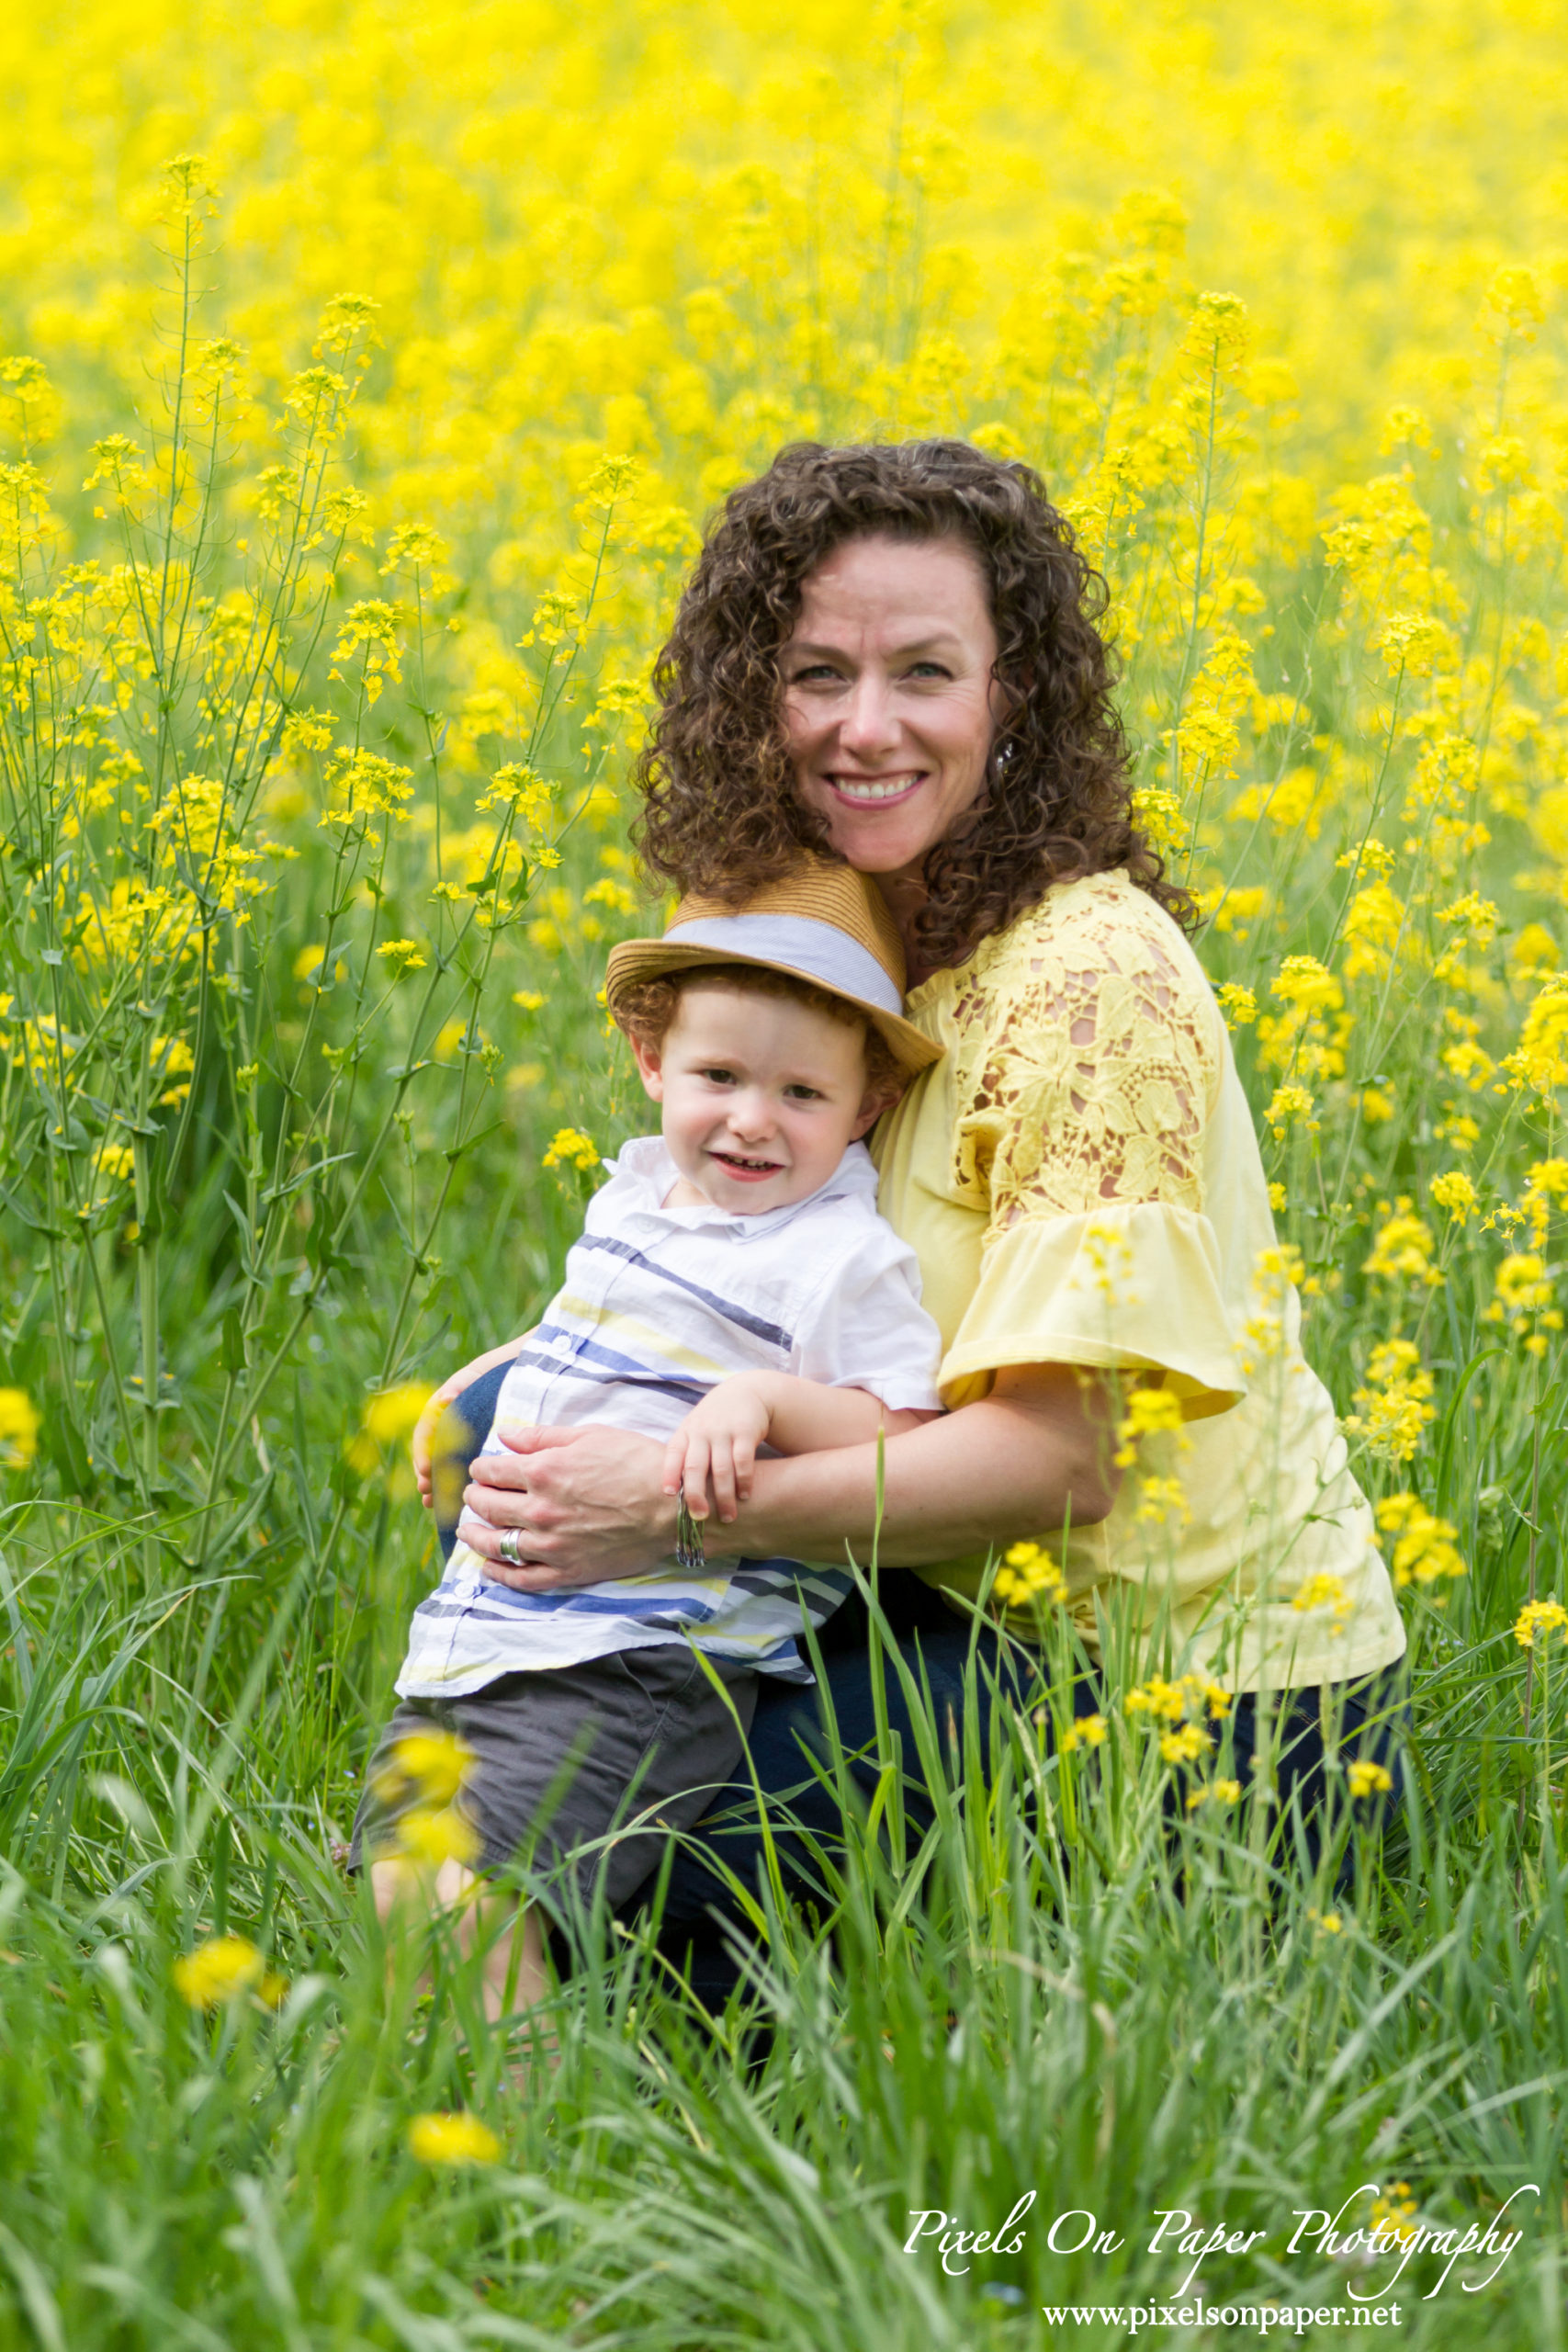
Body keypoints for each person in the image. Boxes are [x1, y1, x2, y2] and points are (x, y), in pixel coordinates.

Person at [415, 440, 1407, 1998]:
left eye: (924, 673)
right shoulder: (877, 945)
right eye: (815, 673)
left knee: (469, 1843)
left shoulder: (1088, 982)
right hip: (941, 1610)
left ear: (1012, 698)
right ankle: (669, 2037)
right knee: (498, 1451)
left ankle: (517, 2178)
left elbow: (1058, 1461)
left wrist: (665, 1504)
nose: (862, 728)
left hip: (1176, 1711)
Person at [355, 858, 947, 2021]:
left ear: (866, 1106)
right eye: (718, 1076)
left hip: (634, 1654)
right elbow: (606, 1321)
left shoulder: (840, 1254)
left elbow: (898, 1431)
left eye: (801, 1095)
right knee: (405, 1890)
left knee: (473, 1906)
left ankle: (520, 2155)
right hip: (486, 1632)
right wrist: (493, 1371)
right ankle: (483, 2120)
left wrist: (765, 1403)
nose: (751, 1120)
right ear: (651, 1064)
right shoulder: (640, 1194)